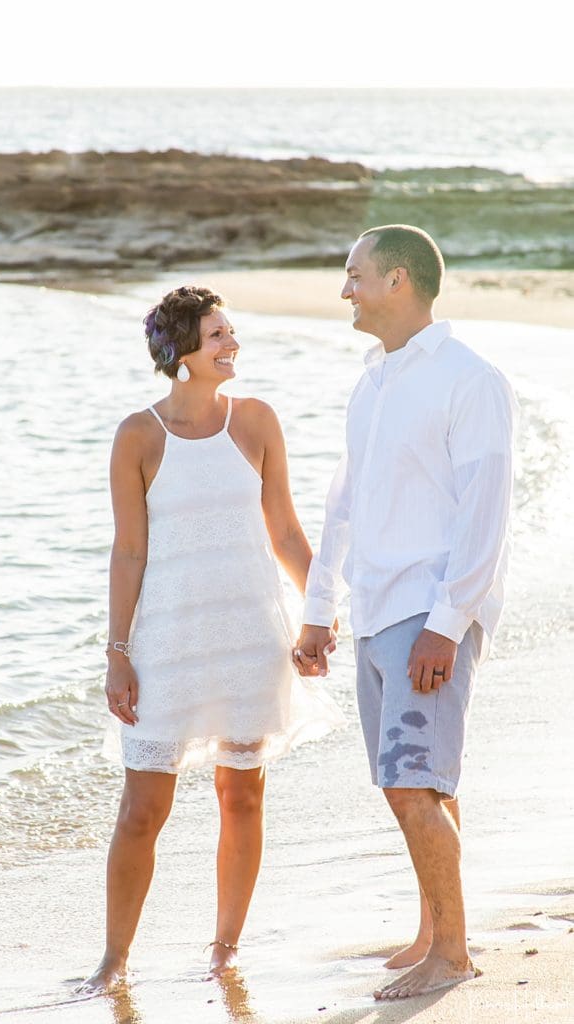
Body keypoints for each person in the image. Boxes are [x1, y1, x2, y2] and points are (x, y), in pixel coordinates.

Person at [78, 285, 343, 994]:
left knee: (243, 796)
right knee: (141, 809)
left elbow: (284, 531)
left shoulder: (256, 421)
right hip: (167, 642)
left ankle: (225, 947)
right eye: (218, 335)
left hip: (250, 636)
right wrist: (117, 653)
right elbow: (128, 552)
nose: (232, 344)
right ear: (181, 352)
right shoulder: (138, 434)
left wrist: (320, 608)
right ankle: (114, 959)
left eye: (232, 332)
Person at [294, 225, 516, 1000]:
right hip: (378, 607)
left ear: (398, 280)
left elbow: (484, 511)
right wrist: (320, 608)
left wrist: (446, 622)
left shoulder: (468, 378)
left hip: (428, 610)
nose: (344, 289)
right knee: (423, 781)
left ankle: (451, 952)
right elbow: (345, 505)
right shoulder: (375, 380)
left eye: (354, 274)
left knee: (410, 782)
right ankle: (433, 931)